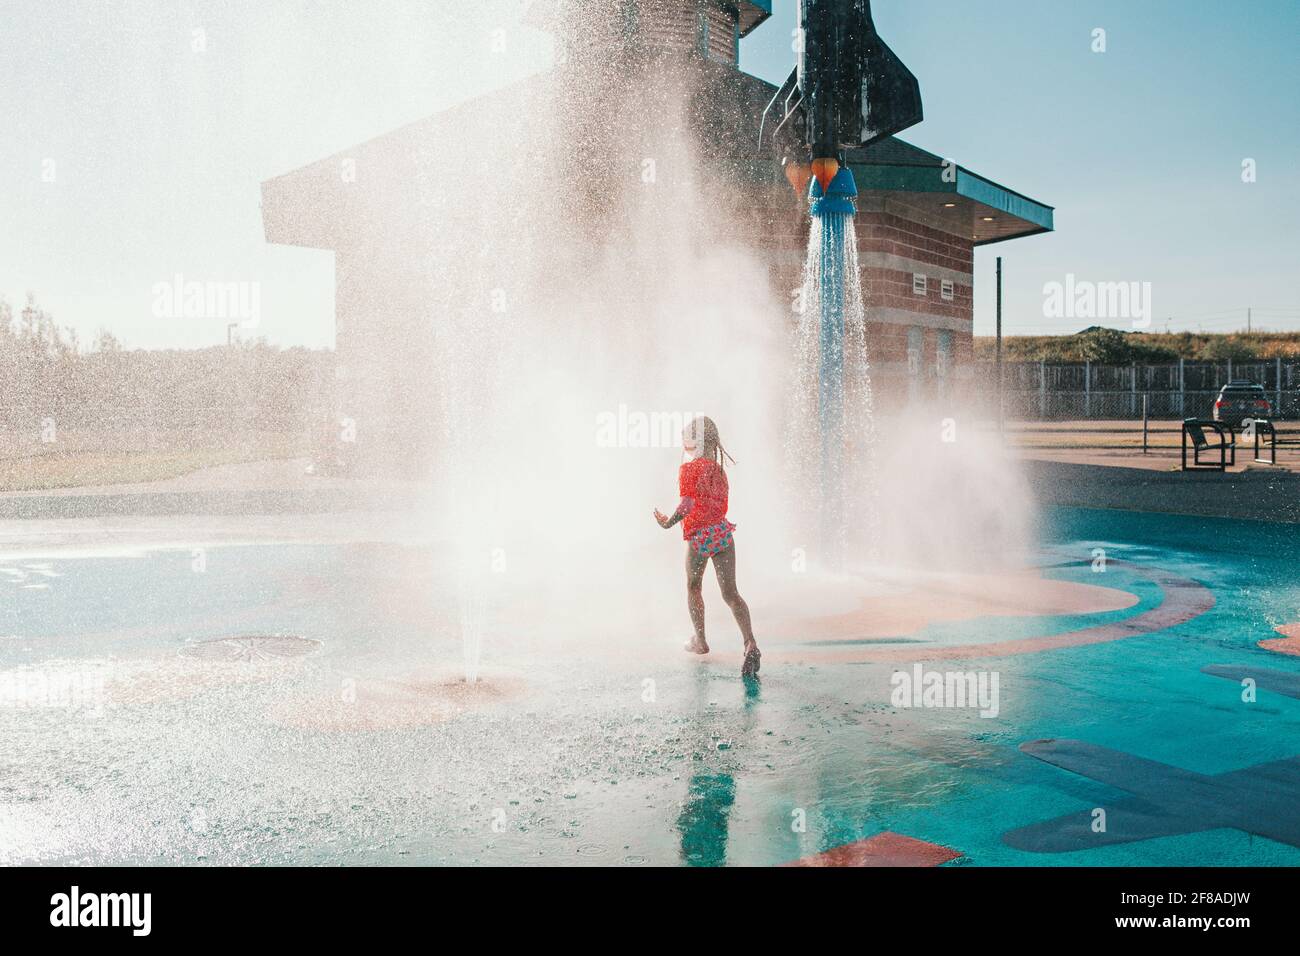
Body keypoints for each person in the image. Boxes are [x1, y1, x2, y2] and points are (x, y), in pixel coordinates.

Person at [654, 416, 760, 678]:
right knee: (731, 593)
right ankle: (750, 642)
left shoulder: (689, 469)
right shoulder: (718, 469)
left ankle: (700, 641)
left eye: (686, 438)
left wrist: (668, 523)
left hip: (700, 537)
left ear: (695, 442)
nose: (682, 442)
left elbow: (687, 505)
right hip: (722, 534)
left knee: (694, 586)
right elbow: (719, 504)